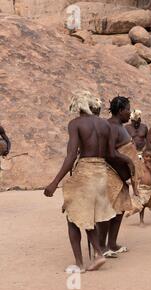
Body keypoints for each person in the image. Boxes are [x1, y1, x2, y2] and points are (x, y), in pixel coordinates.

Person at [43, 91, 120, 272]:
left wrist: (54, 182)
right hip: (101, 173)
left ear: (78, 106)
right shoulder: (105, 125)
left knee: (72, 217)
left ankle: (79, 264)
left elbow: (71, 155)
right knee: (86, 217)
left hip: (84, 172)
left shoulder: (76, 124)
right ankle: (99, 254)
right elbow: (111, 154)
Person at [98, 96, 138, 258]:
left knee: (120, 209)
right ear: (120, 110)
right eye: (128, 109)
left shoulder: (119, 126)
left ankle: (112, 244)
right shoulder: (112, 127)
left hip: (120, 176)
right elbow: (109, 152)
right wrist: (128, 160)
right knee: (108, 210)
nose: (130, 113)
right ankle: (101, 246)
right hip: (110, 174)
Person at [125, 150, 151, 226]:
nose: (148, 158)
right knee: (142, 204)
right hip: (142, 188)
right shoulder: (140, 166)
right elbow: (136, 178)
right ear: (143, 157)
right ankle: (141, 221)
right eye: (147, 157)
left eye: (150, 157)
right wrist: (135, 189)